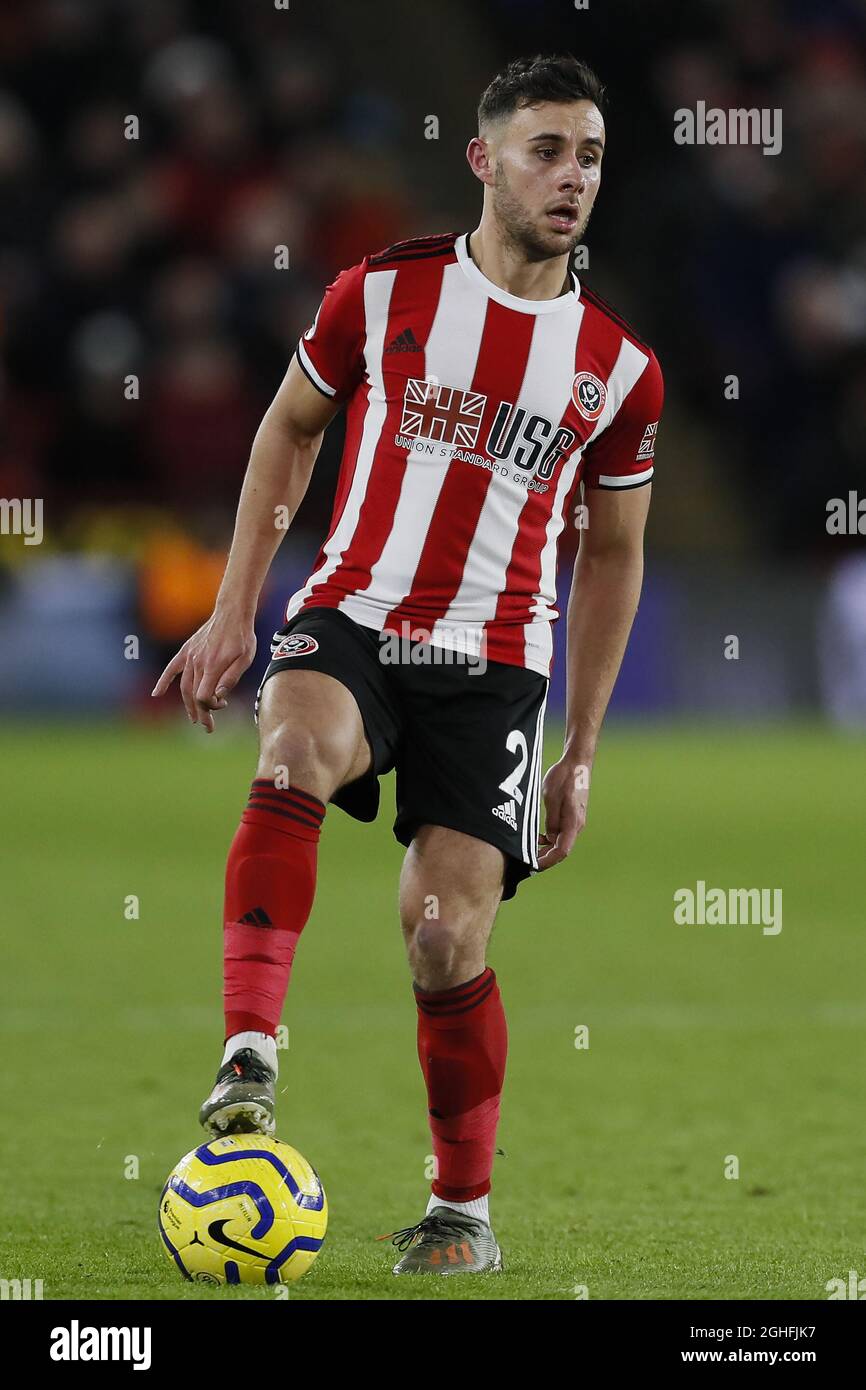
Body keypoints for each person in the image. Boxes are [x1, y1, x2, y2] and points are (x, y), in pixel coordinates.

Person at [153, 52, 664, 1276]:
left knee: (441, 936)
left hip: (490, 667)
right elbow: (288, 427)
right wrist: (235, 610)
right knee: (294, 748)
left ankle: (460, 1212)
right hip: (355, 615)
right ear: (482, 159)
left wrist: (579, 749)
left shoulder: (620, 373)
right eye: (546, 150)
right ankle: (249, 1053)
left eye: (589, 156)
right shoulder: (379, 296)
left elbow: (613, 562)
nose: (571, 177)